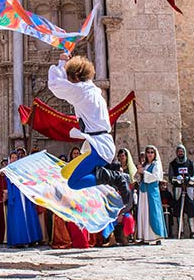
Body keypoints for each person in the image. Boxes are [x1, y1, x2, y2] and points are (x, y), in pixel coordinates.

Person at [47, 53, 132, 207]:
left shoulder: (81, 92)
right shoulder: (91, 90)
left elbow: (54, 84)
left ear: (76, 76)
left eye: (69, 77)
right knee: (66, 172)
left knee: (74, 182)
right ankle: (110, 171)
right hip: (98, 144)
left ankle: (115, 177)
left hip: (100, 147)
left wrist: (62, 62)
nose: (68, 81)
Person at [135, 145, 166, 244]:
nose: (150, 154)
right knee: (144, 213)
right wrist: (139, 171)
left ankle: (156, 236)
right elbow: (137, 178)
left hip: (152, 191)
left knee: (154, 213)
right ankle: (145, 237)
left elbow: (155, 177)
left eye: (152, 152)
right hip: (144, 191)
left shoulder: (156, 164)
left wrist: (144, 172)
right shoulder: (145, 165)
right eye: (148, 152)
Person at [169, 144, 194, 239]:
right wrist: (176, 179)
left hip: (189, 189)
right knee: (178, 211)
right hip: (178, 189)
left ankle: (192, 232)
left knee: (191, 211)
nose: (180, 153)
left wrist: (190, 179)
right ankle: (180, 231)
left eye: (182, 151)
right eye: (179, 152)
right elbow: (171, 177)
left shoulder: (190, 163)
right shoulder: (173, 164)